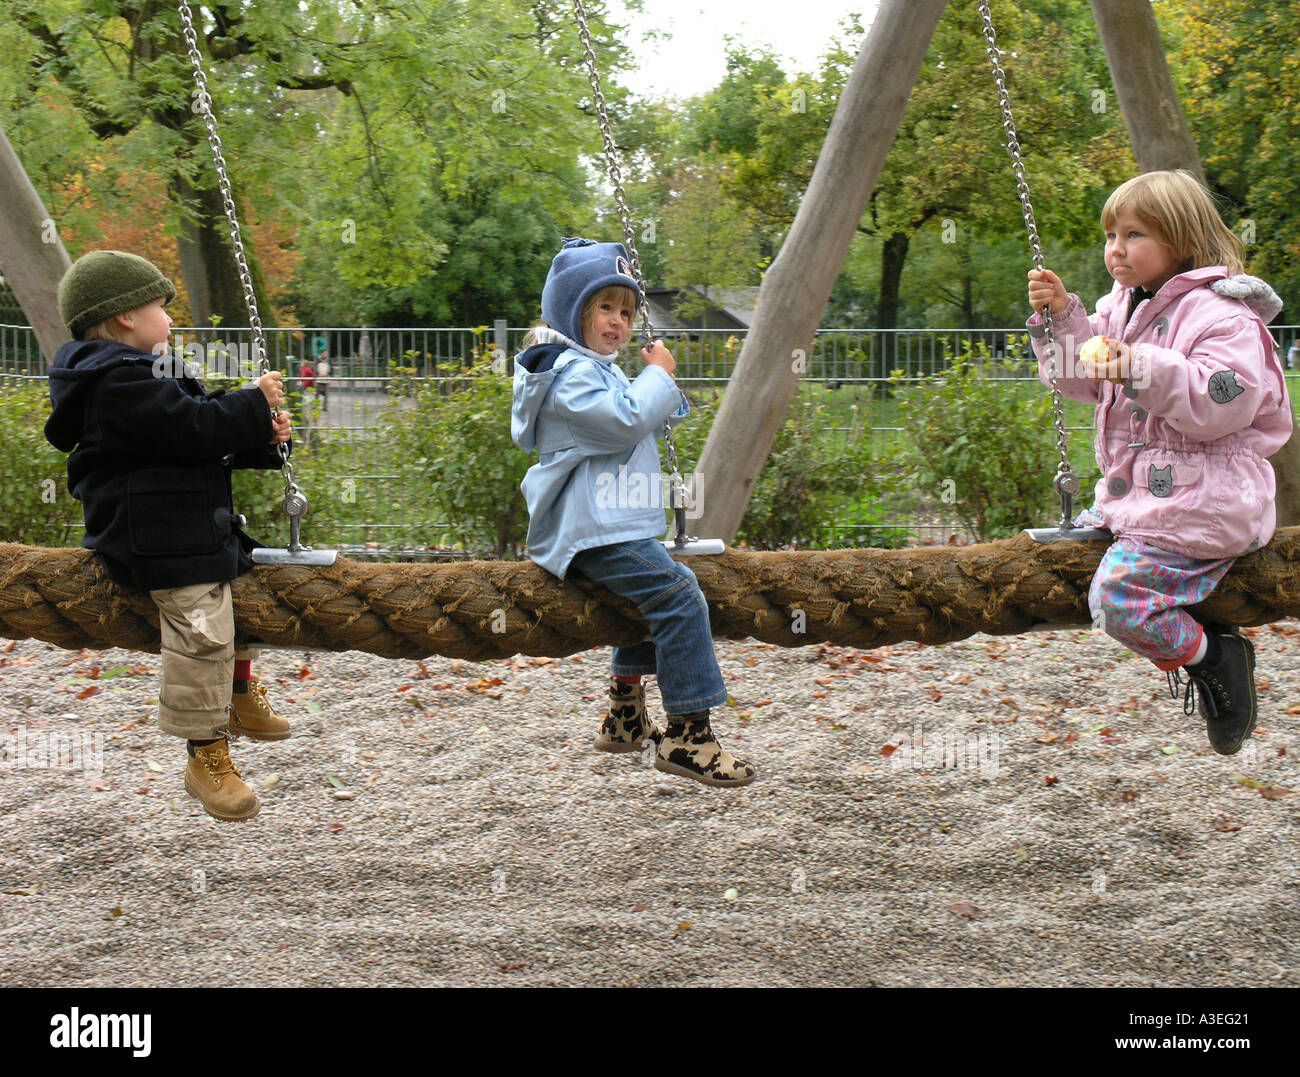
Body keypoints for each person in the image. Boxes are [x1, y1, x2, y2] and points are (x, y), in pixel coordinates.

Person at [1026, 170, 1291, 755]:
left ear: (1183, 241)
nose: (1115, 248)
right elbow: (1077, 380)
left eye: (1134, 234)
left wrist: (1138, 365)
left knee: (1116, 602)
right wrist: (1062, 317)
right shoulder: (1119, 309)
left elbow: (1223, 400)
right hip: (1148, 500)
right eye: (1110, 234)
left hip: (1207, 501)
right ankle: (1197, 629)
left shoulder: (1224, 315)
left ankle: (1215, 660)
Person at [45, 250, 294, 820]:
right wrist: (253, 402)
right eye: (162, 307)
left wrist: (264, 440)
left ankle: (237, 693)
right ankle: (205, 753)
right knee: (200, 628)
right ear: (125, 317)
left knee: (242, 598)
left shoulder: (144, 373)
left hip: (185, 528)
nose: (172, 320)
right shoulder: (114, 381)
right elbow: (190, 428)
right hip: (152, 537)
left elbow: (202, 436)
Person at [511, 238, 756, 787]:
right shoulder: (567, 373)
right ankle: (689, 735)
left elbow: (639, 414)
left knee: (646, 600)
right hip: (592, 531)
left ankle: (626, 714)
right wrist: (660, 377)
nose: (619, 321)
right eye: (605, 307)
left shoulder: (592, 367)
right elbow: (623, 420)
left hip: (607, 525)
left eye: (626, 310)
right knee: (678, 596)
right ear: (570, 312)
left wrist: (658, 381)